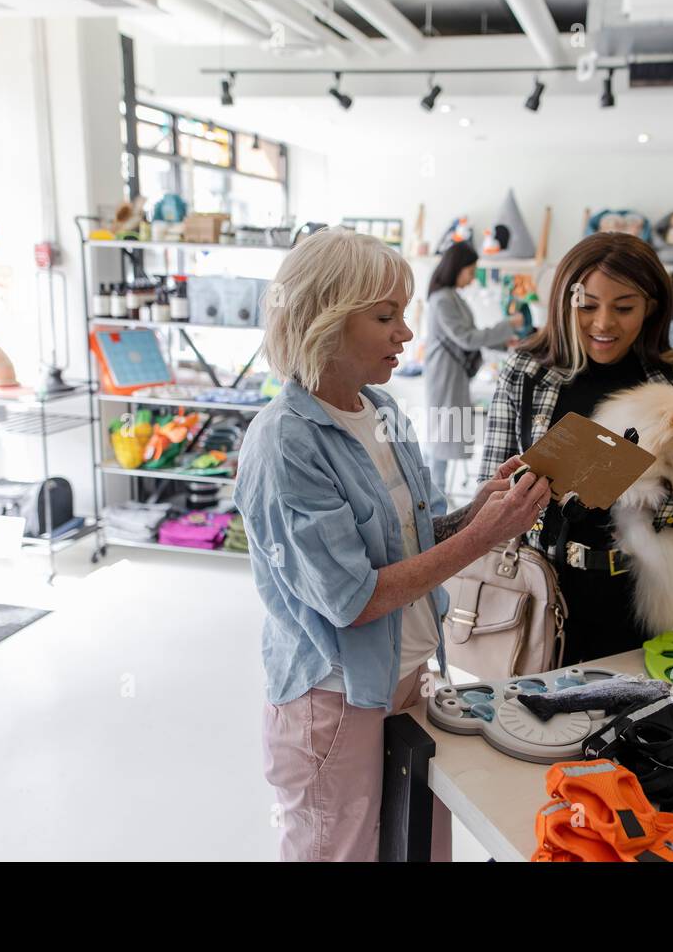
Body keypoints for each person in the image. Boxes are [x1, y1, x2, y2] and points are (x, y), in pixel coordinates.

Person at [236, 228, 551, 862]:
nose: (405, 334)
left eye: (402, 315)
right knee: (341, 850)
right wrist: (484, 538)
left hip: (407, 676)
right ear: (323, 319)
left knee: (419, 846)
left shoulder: (381, 409)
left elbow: (405, 544)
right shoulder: (284, 443)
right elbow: (353, 600)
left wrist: (476, 512)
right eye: (384, 317)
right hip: (336, 696)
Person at [476, 232, 673, 664]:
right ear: (564, 302)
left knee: (637, 724)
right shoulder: (527, 373)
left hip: (649, 600)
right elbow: (487, 494)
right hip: (543, 598)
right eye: (587, 306)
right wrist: (536, 496)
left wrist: (647, 503)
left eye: (624, 307)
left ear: (651, 306)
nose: (603, 323)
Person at [423, 242, 523, 494]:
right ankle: (436, 502)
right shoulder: (442, 299)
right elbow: (466, 338)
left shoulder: (452, 297)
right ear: (456, 268)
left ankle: (438, 497)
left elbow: (469, 338)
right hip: (444, 377)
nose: (472, 276)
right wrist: (507, 325)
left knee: (445, 436)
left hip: (453, 375)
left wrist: (502, 342)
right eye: (471, 270)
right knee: (441, 439)